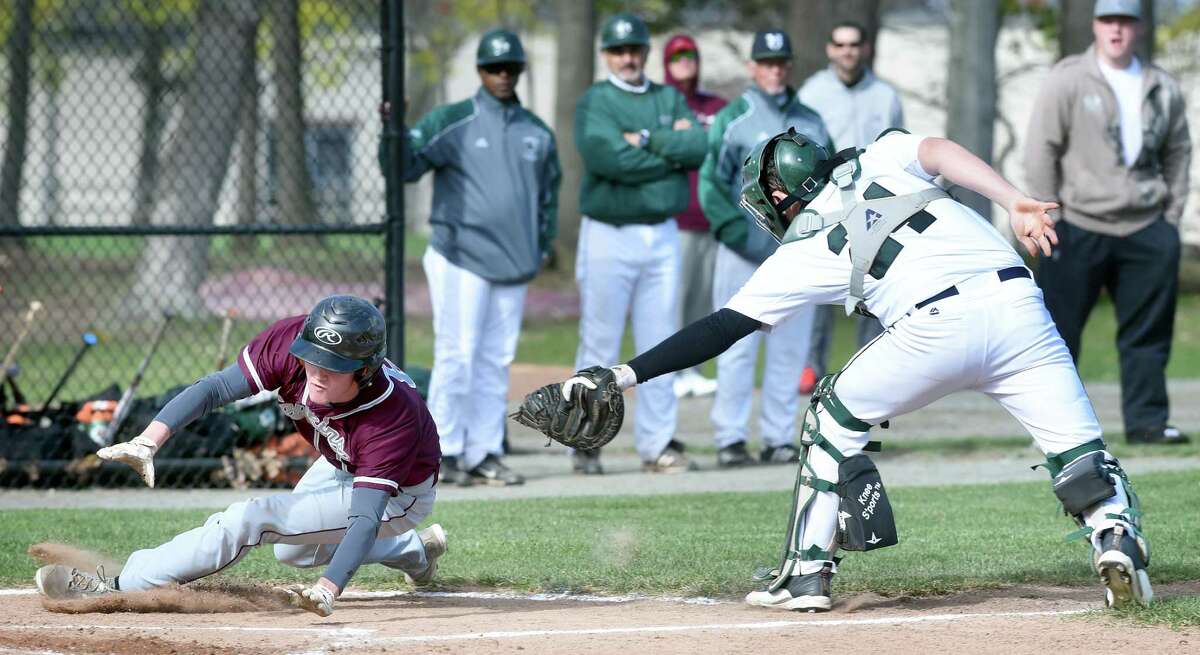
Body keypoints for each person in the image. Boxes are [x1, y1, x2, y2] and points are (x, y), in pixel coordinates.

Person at [553, 128, 1152, 612]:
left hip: (934, 324)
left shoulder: (802, 253)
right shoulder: (883, 154)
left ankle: (806, 573)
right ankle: (1115, 536)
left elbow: (720, 328)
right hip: (1018, 305)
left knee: (833, 415)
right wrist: (1014, 199)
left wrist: (626, 374)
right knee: (1078, 449)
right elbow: (941, 150)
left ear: (782, 198)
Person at [34, 295, 447, 618]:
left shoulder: (392, 417)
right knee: (294, 551)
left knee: (252, 518)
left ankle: (120, 582)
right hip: (343, 464)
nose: (316, 371)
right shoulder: (289, 344)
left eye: (334, 366)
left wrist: (328, 588)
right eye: (312, 358)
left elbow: (364, 517)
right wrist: (148, 440)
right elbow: (215, 389)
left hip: (398, 494)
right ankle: (415, 552)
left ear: (365, 370)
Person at [1025, 0, 1191, 445]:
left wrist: (1170, 218)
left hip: (1146, 227)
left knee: (1147, 336)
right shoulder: (1068, 79)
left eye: (1125, 20)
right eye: (1108, 20)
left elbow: (1178, 151)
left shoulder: (1161, 85)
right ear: (1096, 26)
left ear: (1138, 27)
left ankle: (1148, 423)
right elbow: (1041, 149)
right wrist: (1046, 216)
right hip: (1078, 224)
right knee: (1057, 334)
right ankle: (1054, 430)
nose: (1116, 29)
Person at [401, 29, 562, 484]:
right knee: (457, 352)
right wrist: (391, 131)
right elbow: (406, 168)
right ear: (480, 71)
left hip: (513, 262)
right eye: (494, 67)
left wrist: (541, 245)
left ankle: (485, 450)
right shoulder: (454, 120)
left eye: (511, 67)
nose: (503, 75)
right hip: (460, 254)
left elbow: (550, 196)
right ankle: (444, 451)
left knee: (496, 360)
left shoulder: (536, 131)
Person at [571, 12, 707, 475]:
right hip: (609, 232)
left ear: (646, 53)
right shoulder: (596, 101)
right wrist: (666, 153)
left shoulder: (666, 96)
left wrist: (645, 140)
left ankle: (657, 443)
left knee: (662, 340)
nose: (627, 57)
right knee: (599, 340)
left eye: (634, 49)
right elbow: (607, 158)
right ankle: (586, 440)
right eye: (618, 50)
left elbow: (699, 148)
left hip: (662, 232)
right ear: (606, 54)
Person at [698, 30, 829, 468]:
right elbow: (712, 184)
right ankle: (730, 437)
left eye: (781, 61)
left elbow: (827, 183)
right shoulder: (733, 117)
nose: (775, 68)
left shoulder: (811, 118)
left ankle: (778, 436)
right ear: (752, 67)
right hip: (743, 249)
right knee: (735, 344)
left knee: (791, 348)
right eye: (766, 61)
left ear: (789, 65)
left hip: (800, 252)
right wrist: (740, 235)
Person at [797, 20, 905, 394]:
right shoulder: (812, 93)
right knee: (820, 287)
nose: (847, 51)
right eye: (840, 44)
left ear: (865, 48)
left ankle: (867, 366)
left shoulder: (885, 95)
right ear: (830, 49)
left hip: (874, 204)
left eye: (854, 44)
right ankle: (810, 366)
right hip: (827, 204)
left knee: (874, 286)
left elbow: (897, 145)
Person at [662, 33, 727, 400]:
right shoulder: (662, 104)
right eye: (677, 56)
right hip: (676, 221)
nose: (685, 61)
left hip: (711, 220)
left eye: (691, 55)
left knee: (704, 302)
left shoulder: (715, 106)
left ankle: (693, 371)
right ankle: (669, 371)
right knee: (675, 300)